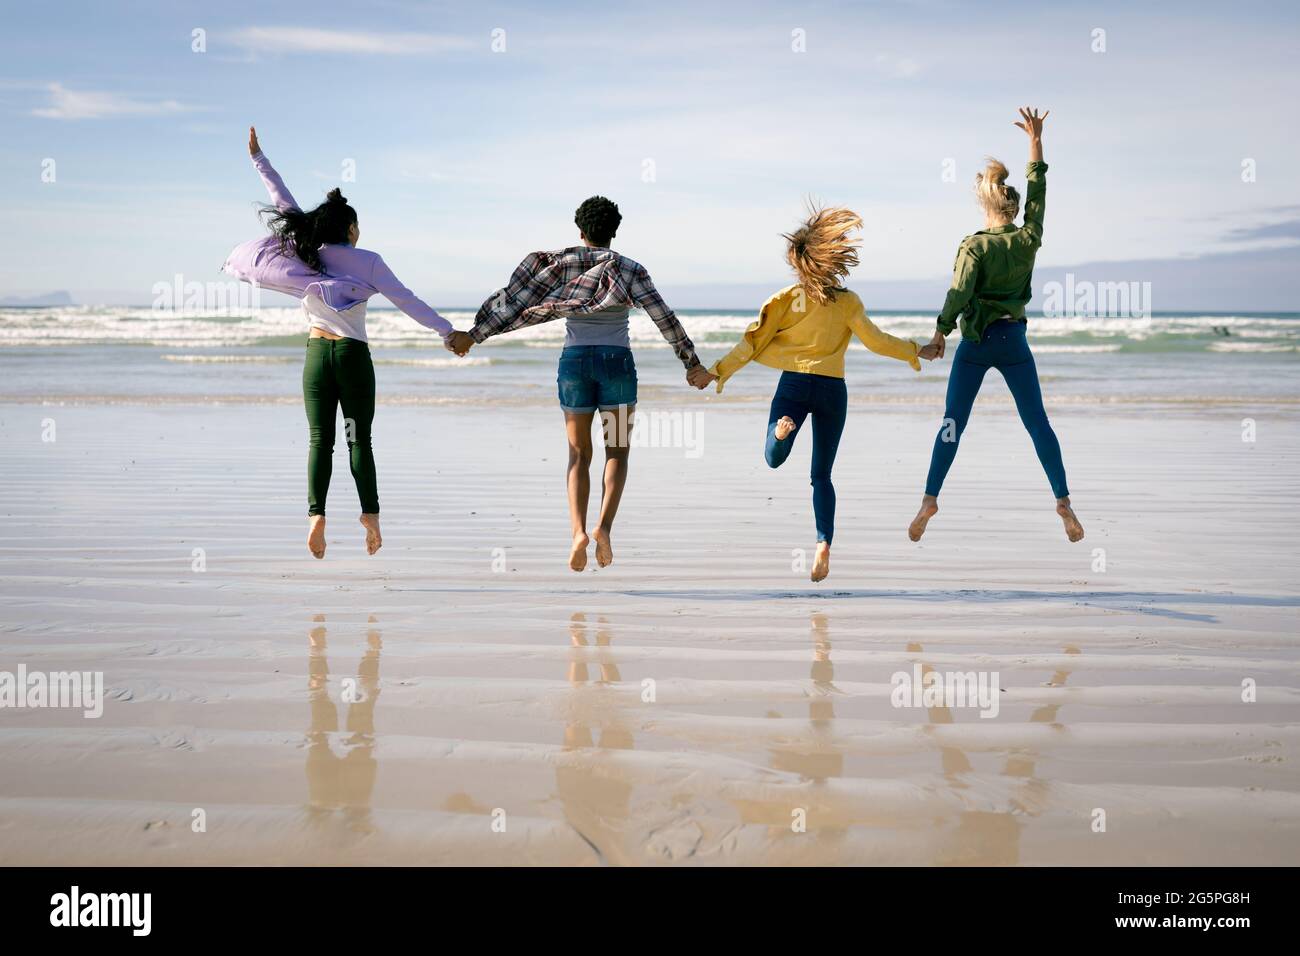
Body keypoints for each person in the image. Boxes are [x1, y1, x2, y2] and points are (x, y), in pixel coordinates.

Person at [223, 127, 455, 560]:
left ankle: (317, 517)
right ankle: (370, 516)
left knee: (318, 440)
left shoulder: (303, 250)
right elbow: (408, 301)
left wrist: (258, 158)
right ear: (351, 228)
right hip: (351, 356)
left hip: (316, 356)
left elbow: (282, 200)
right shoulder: (368, 261)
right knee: (359, 440)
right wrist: (447, 332)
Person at [445, 197, 703, 571]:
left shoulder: (560, 265)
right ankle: (604, 528)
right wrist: (690, 363)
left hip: (575, 366)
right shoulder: (631, 269)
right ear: (615, 232)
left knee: (578, 455)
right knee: (617, 452)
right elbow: (665, 318)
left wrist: (473, 336)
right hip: (616, 366)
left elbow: (516, 305)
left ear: (580, 232)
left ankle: (578, 532)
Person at [690, 204, 933, 582]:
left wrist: (716, 372)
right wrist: (916, 351)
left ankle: (781, 431)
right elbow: (878, 342)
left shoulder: (787, 300)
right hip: (833, 390)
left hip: (795, 384)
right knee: (821, 475)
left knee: (773, 457)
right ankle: (823, 544)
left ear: (799, 262)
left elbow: (750, 344)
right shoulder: (848, 302)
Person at [908, 108, 1084, 544]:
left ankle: (930, 499)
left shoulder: (974, 246)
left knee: (952, 424)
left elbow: (959, 294)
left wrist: (939, 332)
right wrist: (1035, 141)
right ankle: (1062, 499)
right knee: (1038, 423)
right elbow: (1040, 189)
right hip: (1013, 343)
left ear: (985, 205)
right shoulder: (1028, 239)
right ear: (1012, 205)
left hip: (976, 344)